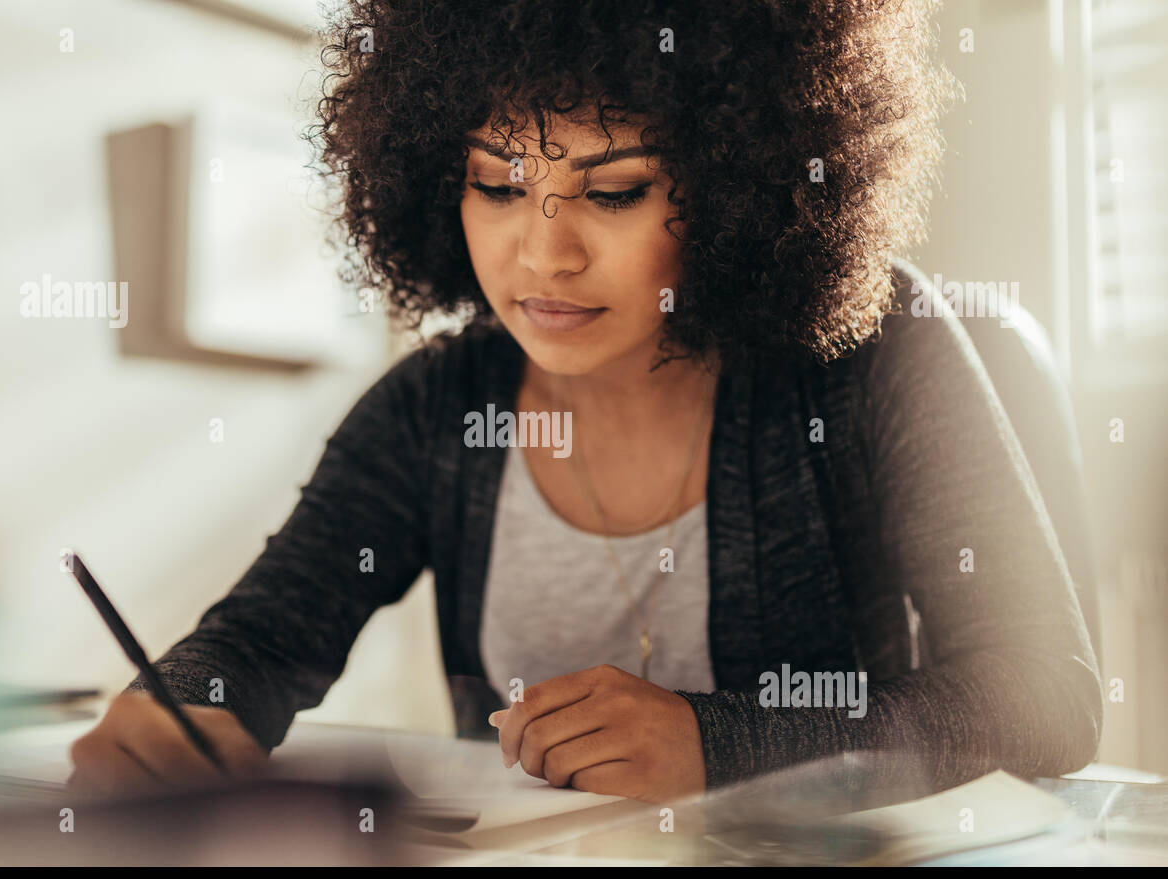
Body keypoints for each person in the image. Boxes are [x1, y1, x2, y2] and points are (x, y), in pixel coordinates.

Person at [69, 0, 1102, 804]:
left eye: (613, 192)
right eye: (497, 182)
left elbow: (1043, 697)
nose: (543, 253)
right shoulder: (435, 409)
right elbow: (263, 639)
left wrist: (718, 742)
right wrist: (187, 708)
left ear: (743, 181)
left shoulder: (877, 357)